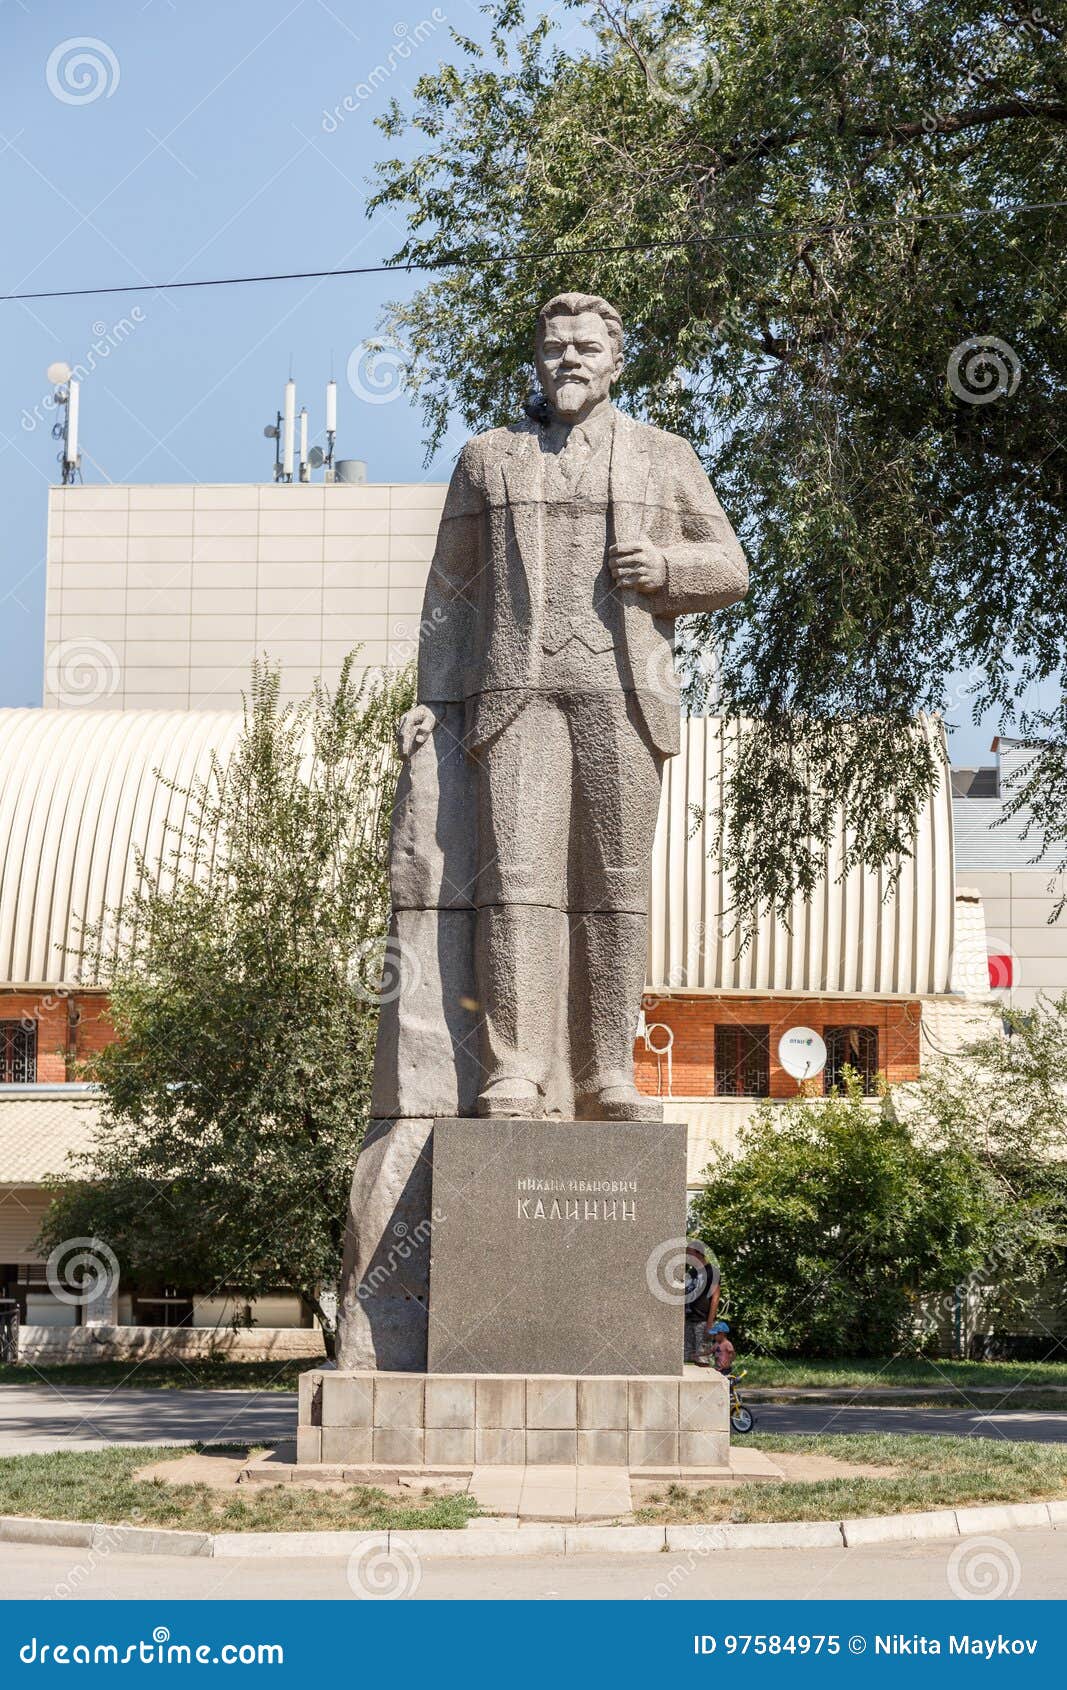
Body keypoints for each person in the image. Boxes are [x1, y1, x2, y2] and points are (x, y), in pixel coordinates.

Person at [683, 1239, 720, 1365]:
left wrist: (710, 1323)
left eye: (689, 1253)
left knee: (702, 1358)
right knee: (689, 1357)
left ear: (698, 1254)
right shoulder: (691, 1272)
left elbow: (715, 1297)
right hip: (689, 1319)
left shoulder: (712, 1271)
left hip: (703, 1320)